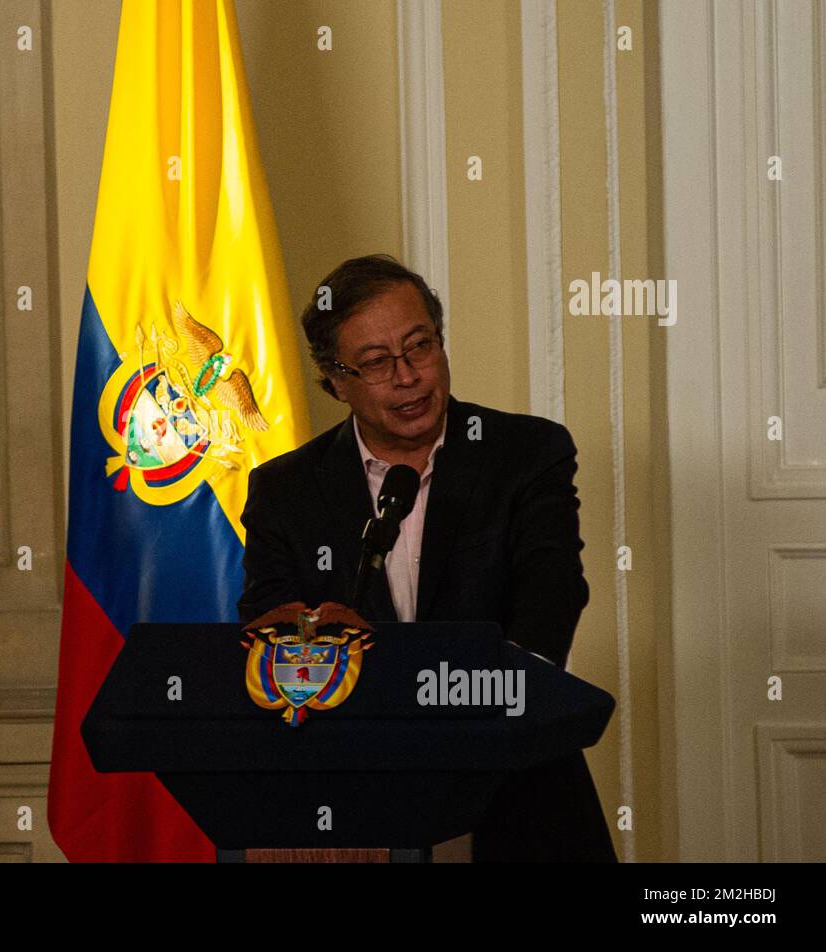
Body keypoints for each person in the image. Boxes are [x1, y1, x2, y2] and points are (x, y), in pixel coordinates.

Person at [237, 253, 617, 862]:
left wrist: (478, 711)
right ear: (334, 380)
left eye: (420, 347)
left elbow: (552, 591)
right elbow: (272, 627)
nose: (408, 376)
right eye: (377, 362)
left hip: (517, 787)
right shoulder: (286, 489)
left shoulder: (524, 453)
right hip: (353, 799)